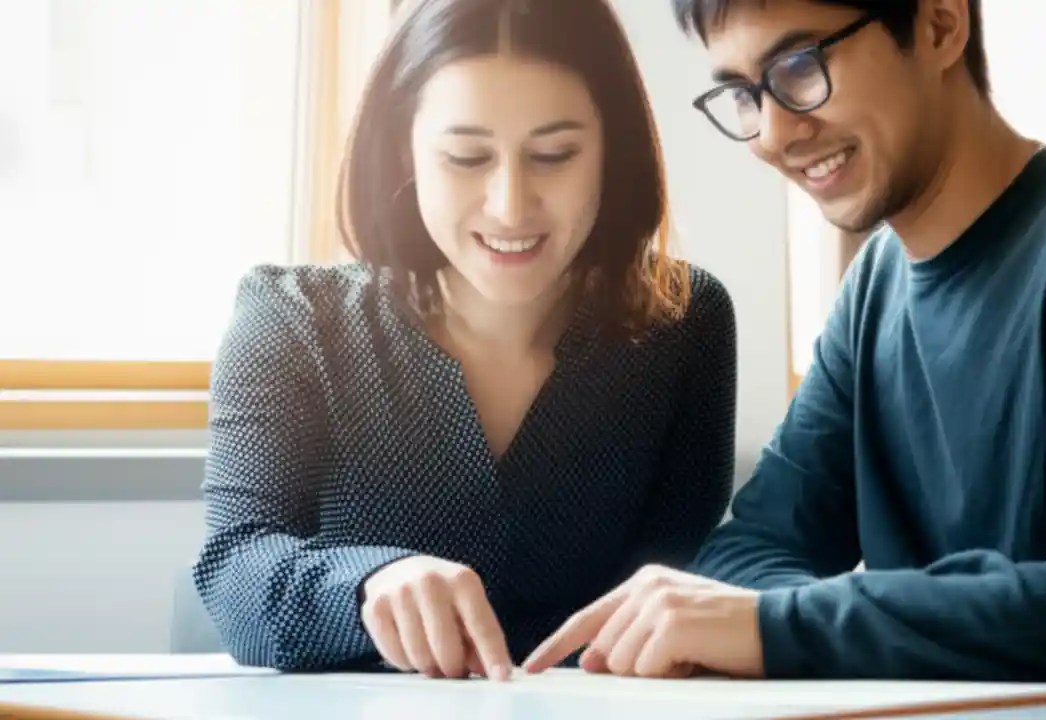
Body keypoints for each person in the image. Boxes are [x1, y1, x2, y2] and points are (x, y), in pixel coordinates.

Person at [525, 0, 1046, 694]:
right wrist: (791, 623)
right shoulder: (874, 290)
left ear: (941, 24)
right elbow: (745, 553)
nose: (774, 135)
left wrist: (788, 626)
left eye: (799, 67)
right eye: (745, 94)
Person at [194, 0, 737, 681]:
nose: (510, 205)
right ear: (405, 151)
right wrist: (368, 585)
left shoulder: (685, 324)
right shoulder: (292, 320)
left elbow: (683, 581)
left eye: (554, 155)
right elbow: (233, 569)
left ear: (611, 151)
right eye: (465, 156)